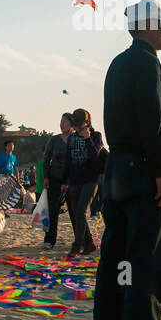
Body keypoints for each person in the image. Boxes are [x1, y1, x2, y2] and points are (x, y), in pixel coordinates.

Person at [95, 0, 161, 320]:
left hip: (116, 169)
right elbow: (153, 122)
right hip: (142, 169)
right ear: (147, 25)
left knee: (116, 257)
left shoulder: (118, 63)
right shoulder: (148, 62)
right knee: (147, 259)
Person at [64, 109, 105, 258]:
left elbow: (95, 155)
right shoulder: (72, 138)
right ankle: (89, 243)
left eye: (79, 124)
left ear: (86, 123)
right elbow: (68, 160)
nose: (77, 127)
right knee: (77, 214)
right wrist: (65, 180)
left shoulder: (96, 136)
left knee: (81, 211)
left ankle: (77, 245)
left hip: (90, 180)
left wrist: (88, 139)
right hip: (74, 180)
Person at [40, 113, 73, 249]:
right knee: (52, 211)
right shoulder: (54, 140)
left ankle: (81, 240)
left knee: (74, 211)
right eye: (60, 121)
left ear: (72, 125)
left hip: (72, 181)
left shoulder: (76, 139)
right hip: (54, 179)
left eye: (64, 122)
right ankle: (49, 240)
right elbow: (46, 160)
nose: (61, 124)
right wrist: (46, 177)